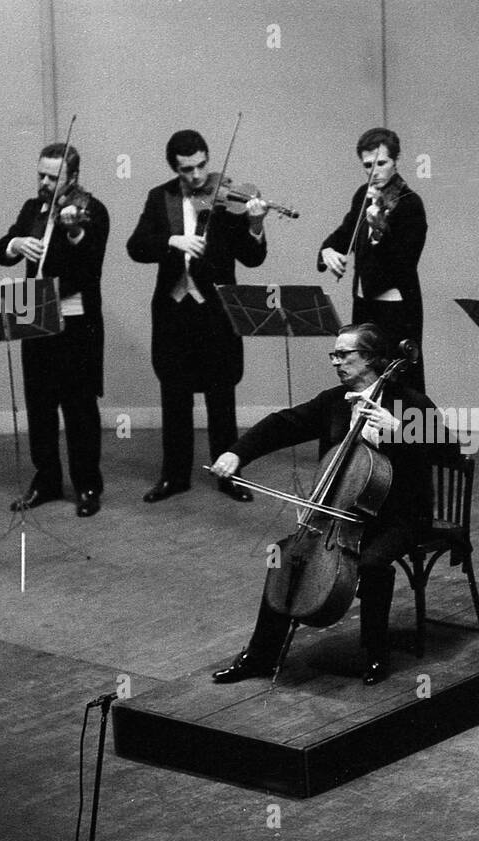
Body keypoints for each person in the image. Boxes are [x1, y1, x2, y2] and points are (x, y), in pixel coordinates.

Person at [209, 323, 454, 686]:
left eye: (344, 355)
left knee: (372, 563)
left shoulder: (410, 402)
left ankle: (375, 653)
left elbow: (449, 449)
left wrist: (400, 429)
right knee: (284, 554)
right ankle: (260, 656)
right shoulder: (334, 402)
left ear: (369, 358)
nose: (335, 362)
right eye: (333, 355)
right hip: (338, 514)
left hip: (400, 516)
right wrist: (236, 453)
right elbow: (282, 424)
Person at [127, 129, 271, 505]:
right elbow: (136, 246)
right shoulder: (161, 197)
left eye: (202, 166)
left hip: (217, 313)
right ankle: (173, 477)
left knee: (221, 396)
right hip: (174, 312)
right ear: (175, 168)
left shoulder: (229, 198)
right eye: (187, 169)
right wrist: (172, 241)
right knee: (174, 396)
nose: (197, 176)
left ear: (209, 159)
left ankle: (229, 476)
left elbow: (252, 257)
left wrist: (255, 224)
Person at [0, 143, 109, 517]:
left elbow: (89, 266)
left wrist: (74, 231)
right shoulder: (32, 209)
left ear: (72, 177)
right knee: (39, 406)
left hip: (76, 322)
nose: (43, 182)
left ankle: (87, 485)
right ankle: (45, 480)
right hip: (34, 317)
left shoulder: (93, 211)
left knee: (79, 409)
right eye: (40, 175)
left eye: (52, 177)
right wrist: (15, 244)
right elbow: (0, 250)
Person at [319, 128, 428, 394]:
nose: (374, 172)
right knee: (363, 378)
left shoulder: (410, 203)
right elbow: (344, 234)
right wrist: (328, 251)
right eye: (368, 165)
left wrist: (380, 232)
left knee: (400, 382)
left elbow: (405, 263)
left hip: (396, 311)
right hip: (364, 305)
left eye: (382, 163)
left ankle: (405, 436)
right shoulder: (362, 196)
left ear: (395, 162)